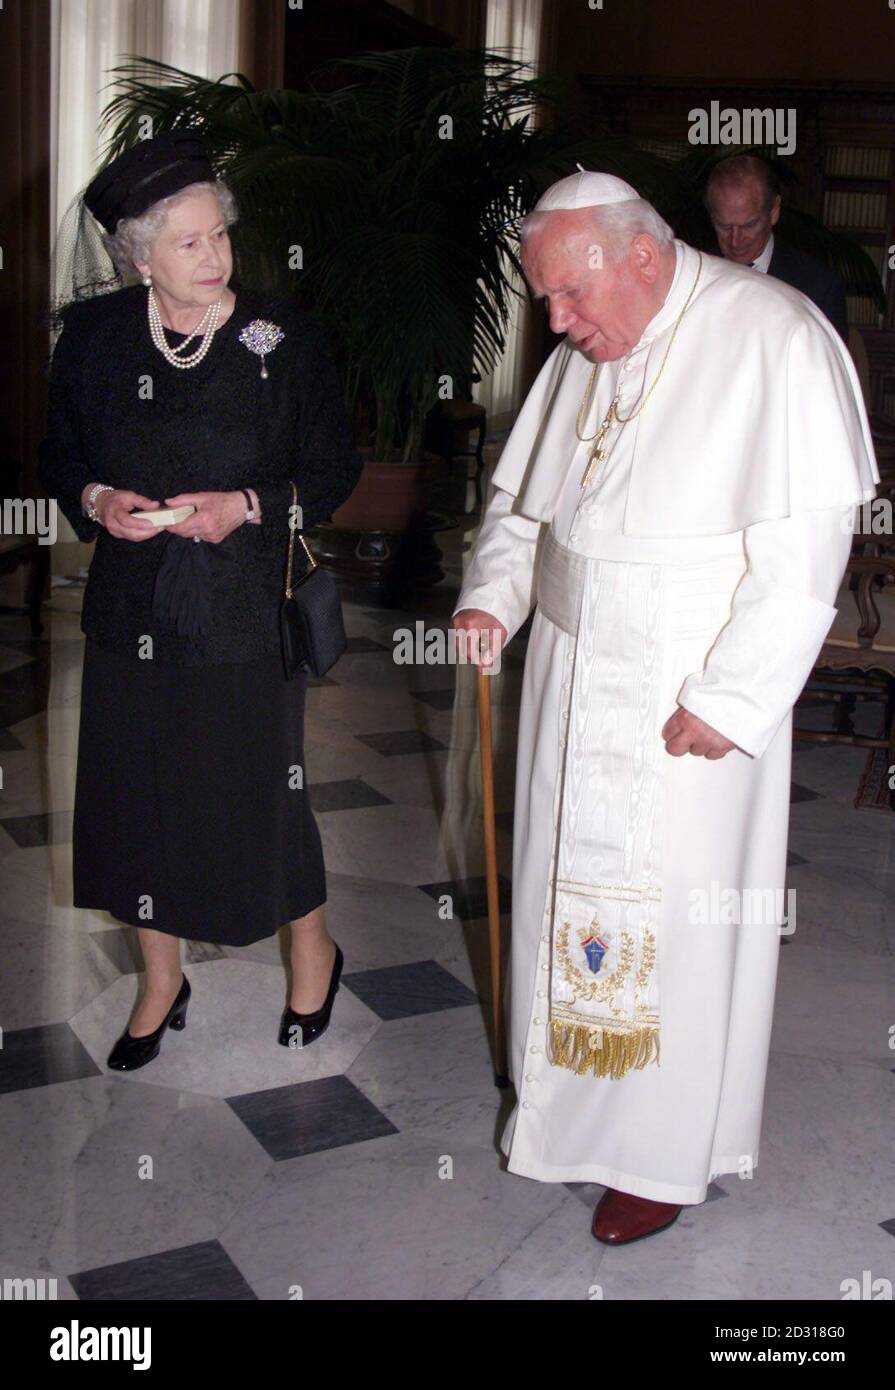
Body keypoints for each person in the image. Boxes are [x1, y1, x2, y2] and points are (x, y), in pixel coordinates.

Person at [451, 170, 877, 1244]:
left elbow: (804, 553)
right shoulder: (591, 343)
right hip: (571, 670)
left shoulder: (772, 336)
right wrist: (491, 597)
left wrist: (730, 697)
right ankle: (563, 1119)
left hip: (683, 685)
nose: (557, 323)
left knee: (674, 923)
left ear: (639, 255)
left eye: (567, 297)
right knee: (563, 898)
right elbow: (522, 503)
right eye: (544, 299)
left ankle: (659, 1151)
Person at [38, 131, 363, 1071]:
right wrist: (99, 502)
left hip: (243, 606)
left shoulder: (277, 336)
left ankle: (313, 953)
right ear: (139, 256)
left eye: (220, 235)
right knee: (137, 797)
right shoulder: (94, 338)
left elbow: (332, 469)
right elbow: (61, 460)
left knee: (263, 791)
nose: (215, 256)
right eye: (189, 243)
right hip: (130, 608)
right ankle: (160, 978)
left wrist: (250, 506)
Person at [705, 152, 850, 342]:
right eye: (724, 226)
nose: (735, 240)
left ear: (774, 211)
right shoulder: (695, 276)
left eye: (749, 225)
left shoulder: (819, 287)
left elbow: (827, 368)